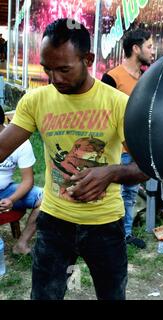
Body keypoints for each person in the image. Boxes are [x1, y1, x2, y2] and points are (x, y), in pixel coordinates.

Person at [0, 19, 148, 300]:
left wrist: (111, 173)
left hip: (105, 224)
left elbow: (146, 167)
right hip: (54, 222)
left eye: (64, 69)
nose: (54, 78)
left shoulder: (118, 103)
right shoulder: (35, 101)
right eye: (47, 69)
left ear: (87, 59)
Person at [102, 28, 154, 249]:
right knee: (111, 194)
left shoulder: (147, 79)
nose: (153, 51)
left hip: (138, 149)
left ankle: (125, 234)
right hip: (115, 150)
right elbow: (101, 114)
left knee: (131, 194)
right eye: (150, 46)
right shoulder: (111, 77)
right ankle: (107, 235)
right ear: (136, 48)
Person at [0, 107, 43, 255]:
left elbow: (28, 180)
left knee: (47, 199)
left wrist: (11, 199)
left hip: (6, 191)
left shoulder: (19, 141)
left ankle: (21, 244)